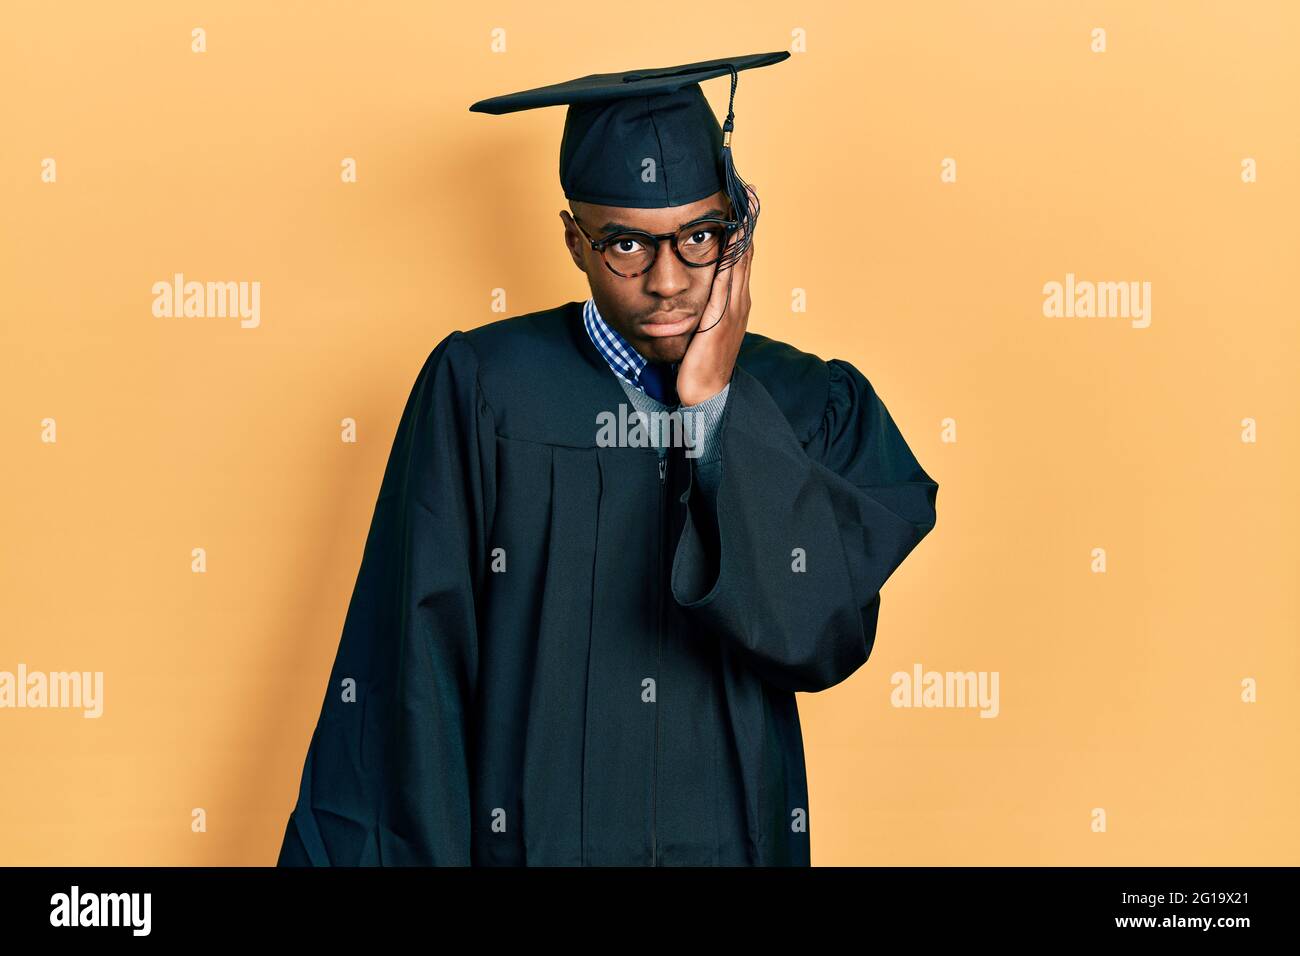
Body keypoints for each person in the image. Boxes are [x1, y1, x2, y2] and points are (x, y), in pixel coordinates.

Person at [277, 51, 939, 867]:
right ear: (574, 241)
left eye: (701, 236)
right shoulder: (485, 392)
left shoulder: (806, 400)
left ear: (736, 236)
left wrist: (714, 408)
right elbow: (412, 677)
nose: (668, 281)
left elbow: (817, 638)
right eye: (627, 244)